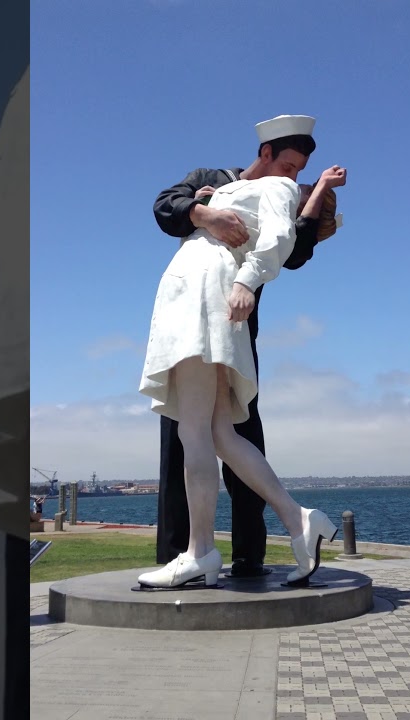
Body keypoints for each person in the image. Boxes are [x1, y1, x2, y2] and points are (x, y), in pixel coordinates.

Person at [137, 114, 346, 588]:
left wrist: (246, 281)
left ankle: (202, 552)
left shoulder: (278, 189)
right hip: (204, 302)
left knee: (199, 431)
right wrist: (203, 208)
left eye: (299, 170)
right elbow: (166, 205)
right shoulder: (214, 182)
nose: (291, 174)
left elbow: (285, 243)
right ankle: (296, 522)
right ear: (266, 152)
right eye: (287, 164)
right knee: (217, 435)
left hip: (212, 304)